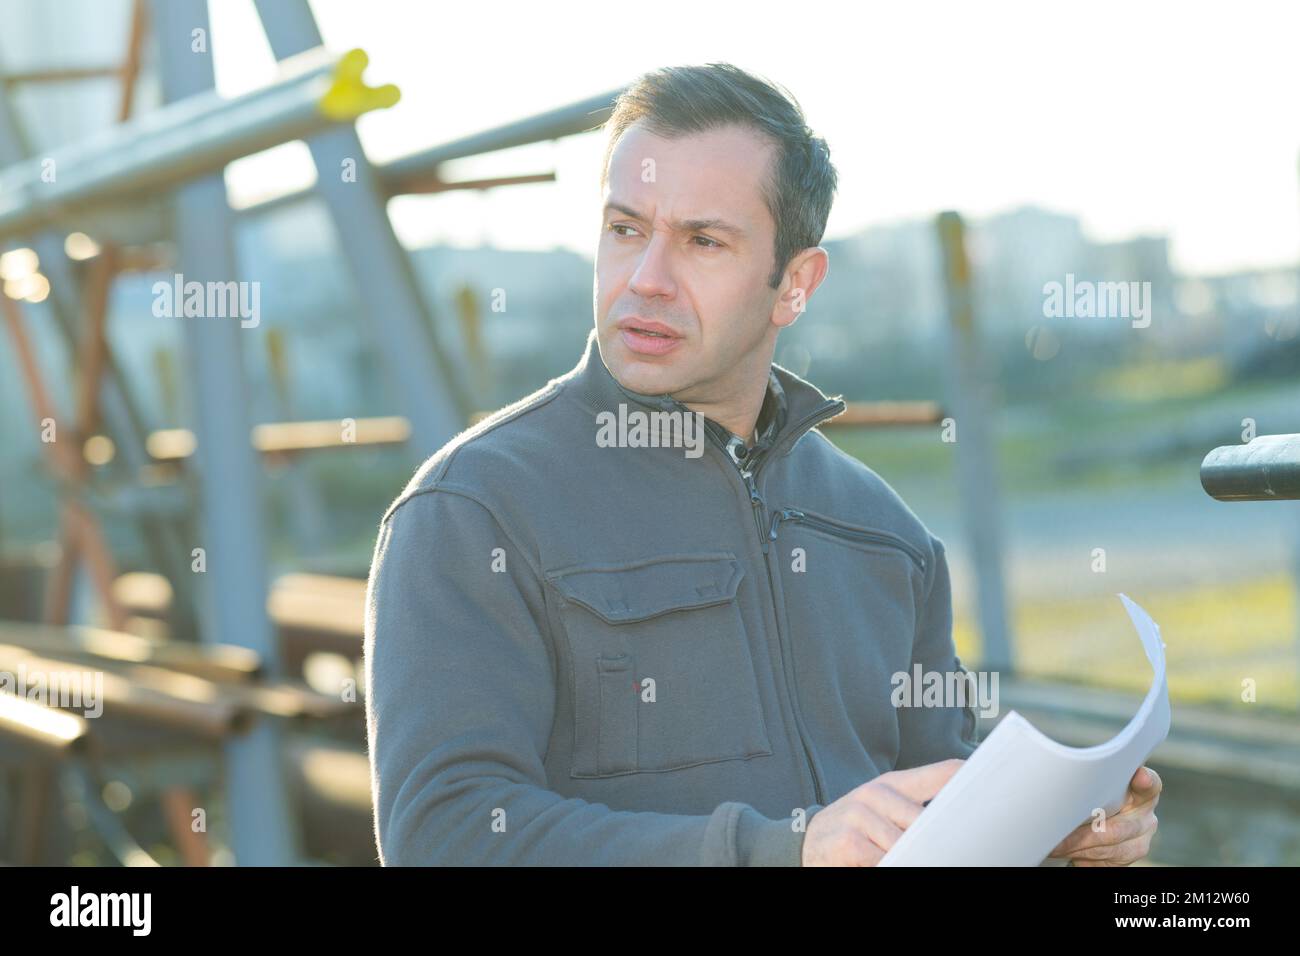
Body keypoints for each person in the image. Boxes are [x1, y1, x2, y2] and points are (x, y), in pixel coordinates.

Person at [364, 62, 1159, 866]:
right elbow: (445, 835)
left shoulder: (886, 537)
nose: (646, 280)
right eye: (626, 229)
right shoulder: (472, 510)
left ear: (796, 285)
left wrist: (1049, 832)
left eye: (702, 241)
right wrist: (780, 851)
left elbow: (938, 816)